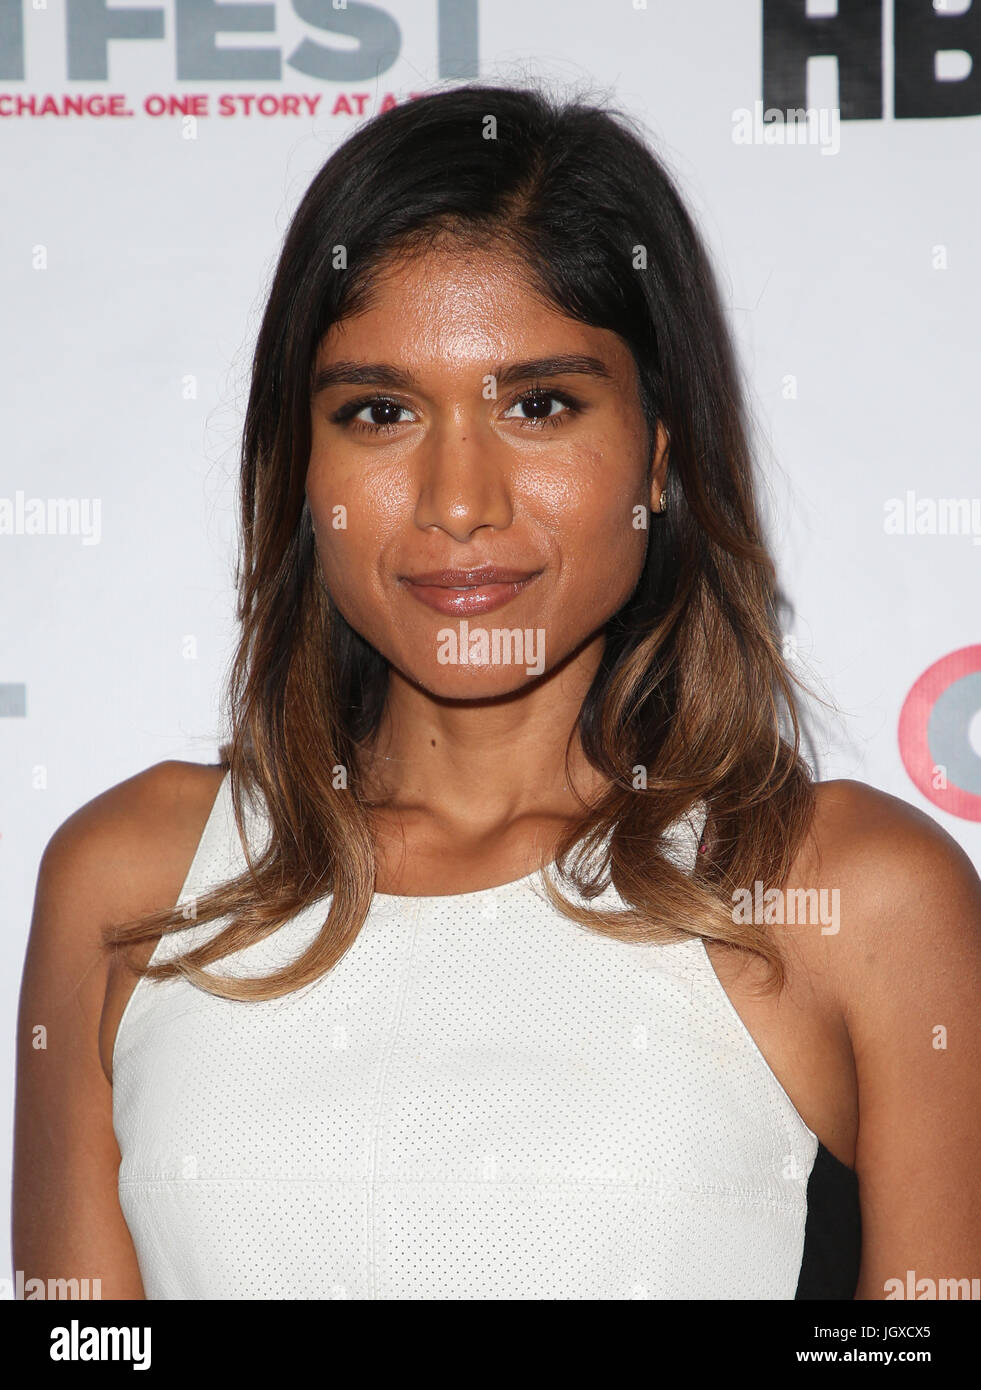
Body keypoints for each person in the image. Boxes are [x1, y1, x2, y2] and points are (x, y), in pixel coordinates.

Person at [13, 81, 981, 1301]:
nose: (457, 499)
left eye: (539, 405)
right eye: (379, 410)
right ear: (300, 461)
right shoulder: (130, 878)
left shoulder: (854, 895)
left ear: (661, 446)